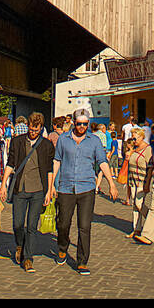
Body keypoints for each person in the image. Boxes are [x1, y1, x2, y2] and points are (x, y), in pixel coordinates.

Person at [50, 109, 117, 275]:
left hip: (86, 187)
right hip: (66, 187)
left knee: (84, 226)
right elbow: (57, 160)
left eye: (85, 124)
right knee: (63, 223)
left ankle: (82, 261)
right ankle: (63, 247)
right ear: (73, 122)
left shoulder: (93, 141)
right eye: (79, 123)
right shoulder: (63, 139)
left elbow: (102, 161)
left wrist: (111, 183)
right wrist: (51, 184)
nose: (81, 127)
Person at [0, 111, 55, 272]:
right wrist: (3, 184)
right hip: (20, 188)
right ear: (28, 126)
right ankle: (19, 245)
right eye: (31, 129)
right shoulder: (17, 142)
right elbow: (10, 164)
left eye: (36, 130)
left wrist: (50, 190)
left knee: (32, 225)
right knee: (17, 223)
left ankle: (28, 258)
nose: (33, 133)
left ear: (41, 129)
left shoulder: (46, 145)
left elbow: (49, 169)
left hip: (38, 189)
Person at [125, 131, 153, 236]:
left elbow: (150, 167)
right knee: (135, 206)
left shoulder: (147, 149)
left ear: (141, 137)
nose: (133, 141)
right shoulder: (134, 149)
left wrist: (147, 183)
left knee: (139, 203)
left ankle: (151, 220)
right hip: (133, 180)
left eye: (135, 138)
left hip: (142, 180)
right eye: (132, 138)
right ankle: (136, 229)